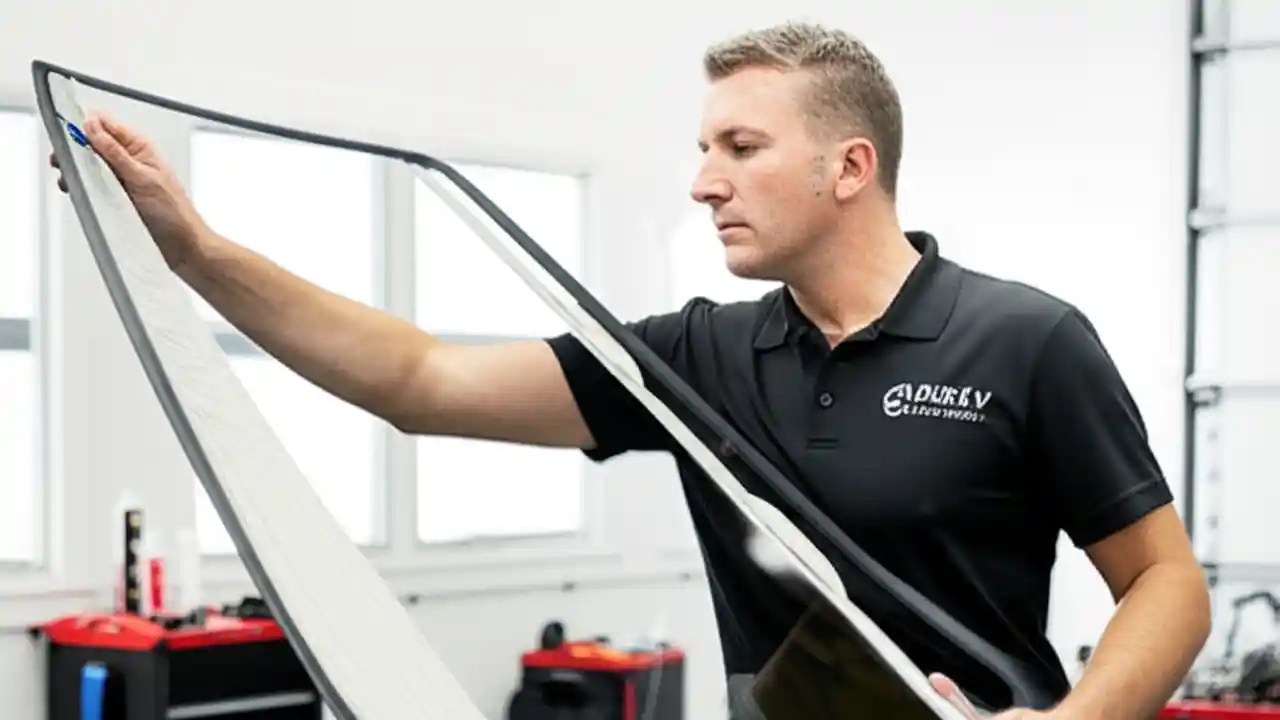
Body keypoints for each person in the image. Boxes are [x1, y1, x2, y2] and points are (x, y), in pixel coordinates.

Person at [53, 20, 1210, 719]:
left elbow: (1165, 582)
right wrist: (193, 250)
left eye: (740, 149)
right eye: (701, 148)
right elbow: (414, 380)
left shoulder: (1023, 340)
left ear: (849, 165)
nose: (702, 180)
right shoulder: (700, 354)